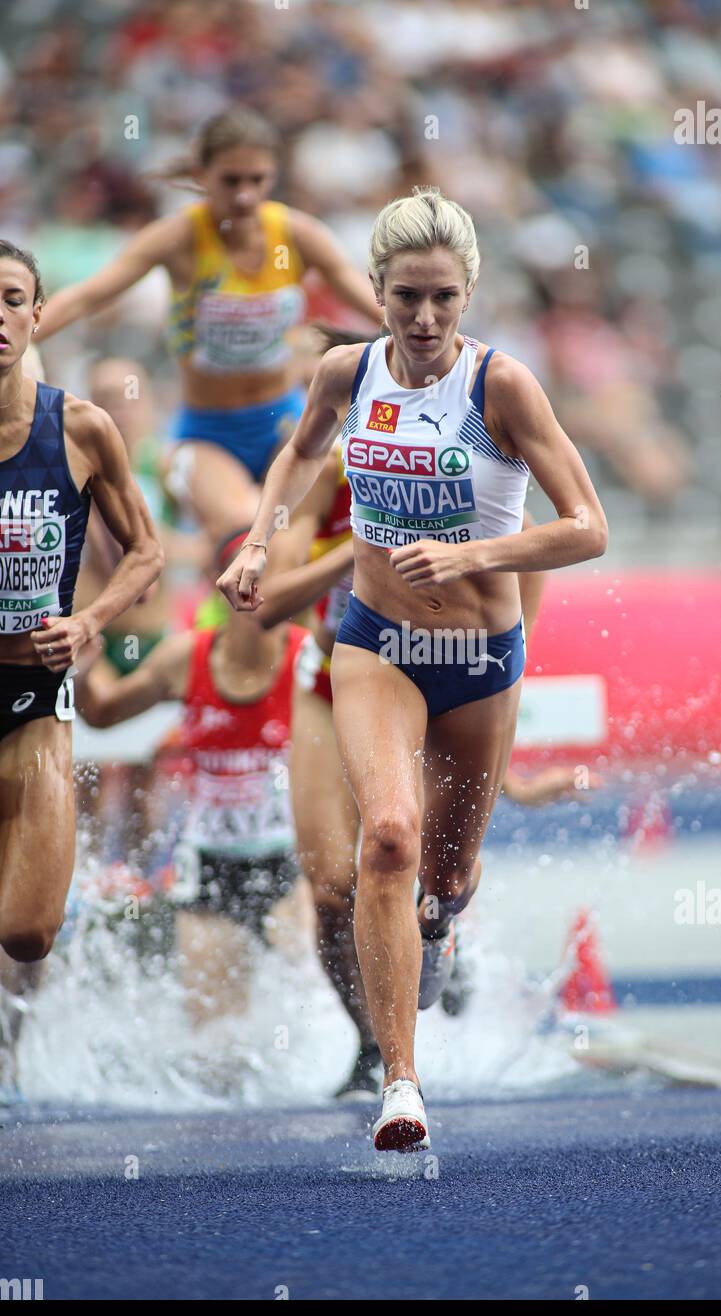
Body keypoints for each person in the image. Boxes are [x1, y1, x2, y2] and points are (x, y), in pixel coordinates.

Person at [217, 188, 608, 1150]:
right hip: (376, 643)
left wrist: (475, 554)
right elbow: (298, 460)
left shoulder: (501, 387)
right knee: (385, 840)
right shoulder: (346, 374)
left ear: (468, 290)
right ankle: (402, 1083)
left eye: (441, 297)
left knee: (450, 870)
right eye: (404, 299)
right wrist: (259, 545)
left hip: (478, 657)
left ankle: (438, 926)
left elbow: (588, 529)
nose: (424, 320)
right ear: (377, 294)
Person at [34, 106, 383, 548]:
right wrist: (20, 334)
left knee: (295, 538)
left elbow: (374, 304)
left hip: (284, 418)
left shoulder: (296, 235)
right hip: (209, 431)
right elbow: (87, 296)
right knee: (241, 533)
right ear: (202, 174)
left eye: (257, 180)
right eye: (231, 180)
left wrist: (445, 345)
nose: (244, 196)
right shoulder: (178, 238)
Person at [0, 241, 163, 1082]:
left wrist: (90, 620)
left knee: (27, 929)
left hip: (32, 695)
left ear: (36, 314)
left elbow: (145, 552)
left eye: (10, 298)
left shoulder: (80, 427)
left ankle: (19, 1034)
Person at [74, 533, 308, 1033]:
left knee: (309, 1018)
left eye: (265, 581)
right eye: (239, 582)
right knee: (214, 1045)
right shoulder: (187, 658)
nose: (252, 593)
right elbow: (102, 713)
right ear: (216, 588)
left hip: (292, 866)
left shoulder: (309, 660)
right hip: (208, 868)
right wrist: (85, 665)